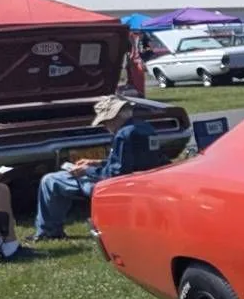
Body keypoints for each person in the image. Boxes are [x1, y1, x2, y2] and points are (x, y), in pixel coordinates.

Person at [34, 98, 165, 241]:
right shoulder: (145, 128)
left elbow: (115, 174)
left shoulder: (123, 135)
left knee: (51, 181)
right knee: (57, 179)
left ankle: (48, 232)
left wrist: (86, 170)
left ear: (114, 117)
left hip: (116, 187)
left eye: (105, 122)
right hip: (142, 183)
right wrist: (97, 163)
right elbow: (132, 163)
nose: (105, 126)